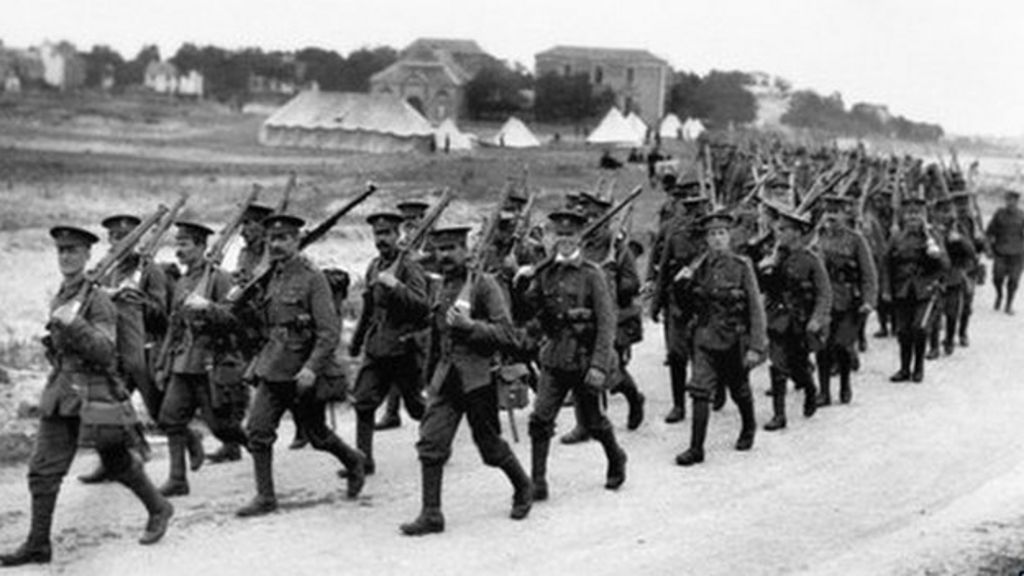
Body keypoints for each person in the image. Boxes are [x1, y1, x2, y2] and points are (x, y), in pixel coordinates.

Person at [1, 226, 172, 567]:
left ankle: (158, 507)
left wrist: (74, 325)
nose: (66, 257)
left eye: (73, 251)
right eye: (61, 251)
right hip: (62, 391)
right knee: (42, 470)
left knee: (117, 461)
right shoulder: (64, 294)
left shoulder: (100, 301)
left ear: (87, 255)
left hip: (95, 392)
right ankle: (38, 544)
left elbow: (107, 352)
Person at [400, 226, 532, 536]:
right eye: (440, 250)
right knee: (430, 444)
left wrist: (471, 326)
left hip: (478, 379)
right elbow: (435, 335)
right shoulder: (438, 287)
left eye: (451, 249)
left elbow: (508, 334)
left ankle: (522, 485)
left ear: (466, 251)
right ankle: (431, 514)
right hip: (446, 379)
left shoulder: (485, 286)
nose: (444, 256)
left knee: (489, 448)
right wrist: (427, 376)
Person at [233, 214, 366, 517]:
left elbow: (329, 330)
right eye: (272, 239)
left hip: (301, 370)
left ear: (296, 240)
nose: (276, 244)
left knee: (318, 435)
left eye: (283, 239)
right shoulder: (270, 275)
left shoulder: (312, 277)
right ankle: (265, 497)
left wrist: (311, 368)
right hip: (273, 366)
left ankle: (353, 460)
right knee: (258, 430)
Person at [516, 210, 627, 502]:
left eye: (570, 235)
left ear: (580, 238)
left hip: (584, 359)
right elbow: (529, 311)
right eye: (559, 235)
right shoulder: (544, 272)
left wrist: (600, 366)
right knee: (540, 419)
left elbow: (607, 323)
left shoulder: (592, 274)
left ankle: (616, 457)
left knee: (593, 422)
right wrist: (521, 283)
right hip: (553, 359)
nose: (564, 240)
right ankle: (537, 481)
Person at [155, 222, 250, 496]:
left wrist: (208, 307)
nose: (179, 251)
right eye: (177, 245)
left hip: (211, 362)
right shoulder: (183, 281)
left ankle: (257, 448)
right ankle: (177, 479)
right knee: (170, 418)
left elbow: (236, 320)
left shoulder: (220, 279)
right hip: (183, 363)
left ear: (200, 246)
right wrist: (163, 365)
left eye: (184, 245)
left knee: (222, 427)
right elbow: (174, 327)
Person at [78, 214, 170, 484]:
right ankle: (113, 462)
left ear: (136, 240)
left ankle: (187, 444)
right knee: (105, 410)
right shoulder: (105, 268)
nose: (118, 243)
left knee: (159, 410)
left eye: (125, 237)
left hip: (143, 349)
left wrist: (136, 299)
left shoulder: (150, 270)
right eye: (114, 238)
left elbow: (161, 316)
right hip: (111, 349)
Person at [674, 211, 766, 466]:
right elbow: (686, 306)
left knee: (739, 390)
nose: (717, 239)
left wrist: (756, 346)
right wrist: (680, 285)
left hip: (733, 340)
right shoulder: (698, 266)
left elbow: (755, 308)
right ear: (706, 238)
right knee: (700, 391)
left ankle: (749, 427)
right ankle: (696, 448)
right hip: (704, 339)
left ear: (729, 236)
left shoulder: (741, 266)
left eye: (721, 233)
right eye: (712, 234)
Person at [561, 191, 645, 444]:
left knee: (612, 369)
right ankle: (583, 425)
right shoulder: (580, 247)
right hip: (583, 319)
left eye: (596, 218)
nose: (591, 224)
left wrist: (605, 281)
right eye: (586, 219)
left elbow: (632, 282)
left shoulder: (617, 247)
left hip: (614, 317)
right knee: (578, 370)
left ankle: (633, 397)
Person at [349, 211, 430, 475]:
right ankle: (364, 461)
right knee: (363, 402)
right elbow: (369, 308)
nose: (381, 239)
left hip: (404, 348)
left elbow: (422, 306)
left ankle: (437, 442)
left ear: (398, 235)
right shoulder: (373, 266)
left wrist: (396, 286)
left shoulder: (410, 266)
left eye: (386, 234)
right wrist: (356, 340)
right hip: (377, 347)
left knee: (416, 407)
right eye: (377, 234)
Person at [759, 209, 832, 431]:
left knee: (799, 367)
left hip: (801, 322)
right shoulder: (775, 257)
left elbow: (824, 293)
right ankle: (779, 415)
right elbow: (765, 289)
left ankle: (810, 389)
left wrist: (817, 319)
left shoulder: (811, 260)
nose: (779, 233)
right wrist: (765, 269)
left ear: (798, 233)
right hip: (779, 320)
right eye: (779, 229)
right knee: (777, 366)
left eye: (785, 230)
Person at [650, 188, 711, 423]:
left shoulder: (712, 241)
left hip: (705, 307)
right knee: (676, 355)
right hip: (678, 305)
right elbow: (664, 271)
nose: (696, 219)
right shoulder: (676, 238)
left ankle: (707, 395)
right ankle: (678, 405)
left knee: (704, 354)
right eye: (692, 213)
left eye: (700, 214)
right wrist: (655, 304)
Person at [376, 200, 432, 431]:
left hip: (428, 308)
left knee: (423, 366)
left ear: (423, 221)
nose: (410, 227)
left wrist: (418, 260)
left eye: (415, 220)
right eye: (406, 222)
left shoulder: (434, 244)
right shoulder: (397, 249)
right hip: (403, 312)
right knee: (396, 356)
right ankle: (392, 413)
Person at [815, 196, 877, 406]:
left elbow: (868, 273)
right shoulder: (818, 238)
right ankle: (823, 392)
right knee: (822, 346)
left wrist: (869, 301)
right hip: (824, 300)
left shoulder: (856, 240)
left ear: (845, 214)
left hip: (850, 301)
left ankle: (844, 383)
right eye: (828, 213)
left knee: (842, 345)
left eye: (836, 213)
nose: (831, 218)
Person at [880, 197, 950, 383]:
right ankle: (904, 369)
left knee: (919, 328)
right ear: (904, 216)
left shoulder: (932, 236)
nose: (913, 218)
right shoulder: (896, 237)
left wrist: (935, 254)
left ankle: (918, 367)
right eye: (910, 214)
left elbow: (945, 264)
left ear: (924, 216)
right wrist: (886, 289)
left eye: (917, 214)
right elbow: (886, 263)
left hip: (926, 290)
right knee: (903, 331)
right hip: (902, 290)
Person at [986, 189, 1024, 314]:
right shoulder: (999, 214)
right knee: (997, 278)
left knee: (1013, 281)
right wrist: (989, 249)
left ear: (1017, 201)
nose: (1010, 203)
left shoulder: (1022, 215)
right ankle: (999, 295)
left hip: (1017, 254)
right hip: (1000, 252)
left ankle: (1009, 304)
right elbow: (990, 232)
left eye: (1013, 200)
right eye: (1008, 200)